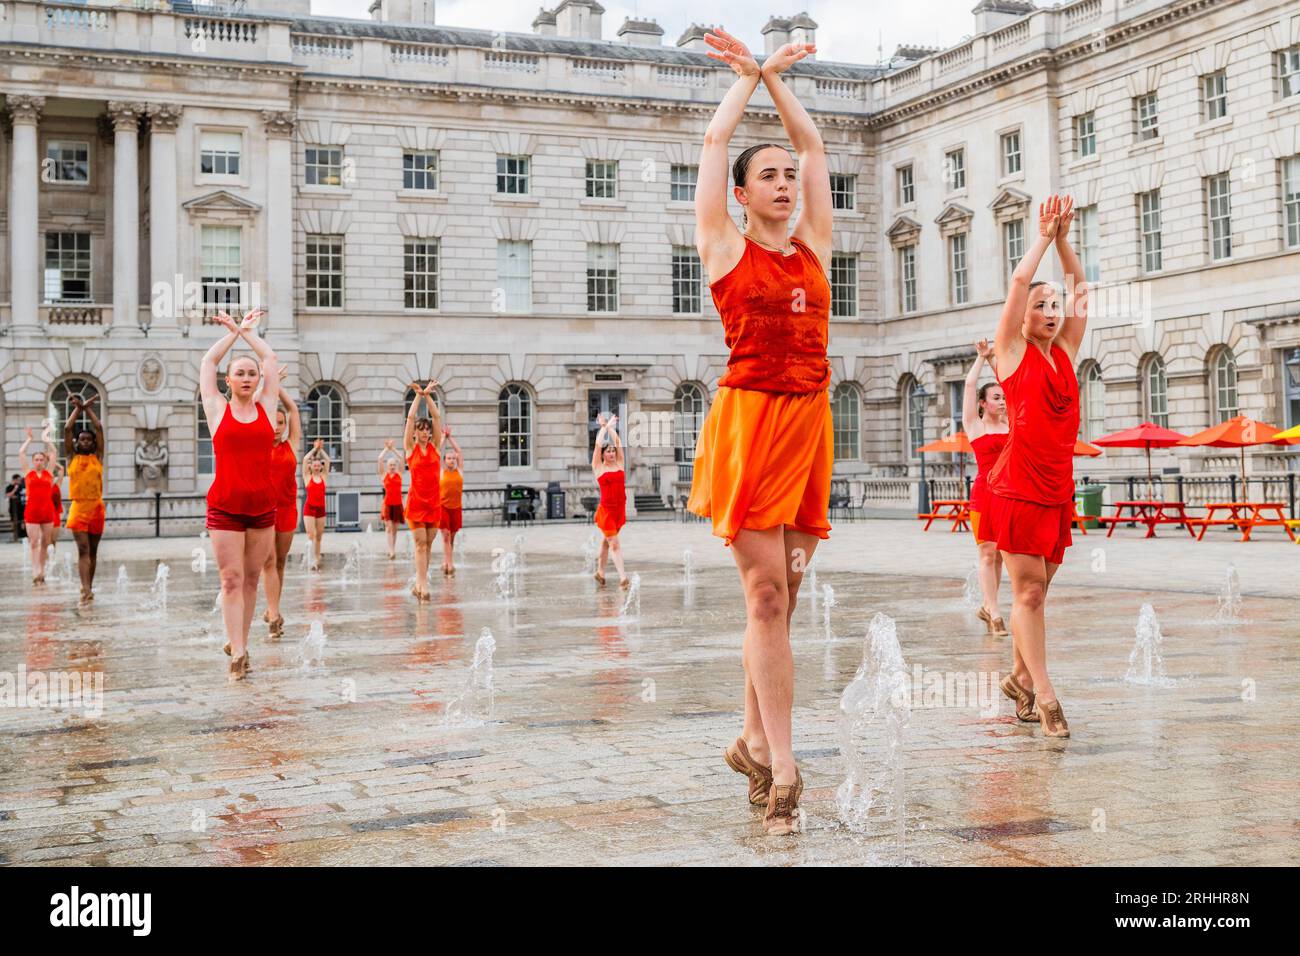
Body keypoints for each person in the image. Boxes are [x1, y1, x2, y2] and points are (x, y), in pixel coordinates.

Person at [687, 29, 832, 835]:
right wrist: (745, 80)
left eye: (787, 175)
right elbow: (714, 140)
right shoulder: (722, 246)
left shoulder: (814, 245)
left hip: (808, 426)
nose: (783, 181)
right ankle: (783, 768)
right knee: (767, 593)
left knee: (783, 600)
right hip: (749, 422)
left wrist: (779, 84)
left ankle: (749, 738)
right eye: (766, 175)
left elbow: (812, 143)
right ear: (742, 194)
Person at [989, 195, 1088, 738]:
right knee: (1027, 593)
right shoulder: (1011, 352)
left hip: (1057, 489)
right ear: (1023, 316)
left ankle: (1019, 676)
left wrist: (1066, 240)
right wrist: (1043, 236)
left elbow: (1082, 290)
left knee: (1039, 592)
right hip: (1018, 489)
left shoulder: (1066, 353)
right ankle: (1045, 697)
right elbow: (1017, 283)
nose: (1052, 313)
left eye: (1055, 307)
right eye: (1041, 306)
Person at [200, 308, 277, 681]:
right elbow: (208, 360)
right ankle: (239, 654)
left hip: (263, 508)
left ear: (258, 380)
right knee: (230, 579)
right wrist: (232, 332)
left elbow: (270, 357)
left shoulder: (267, 405)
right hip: (225, 508)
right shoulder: (216, 408)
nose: (247, 377)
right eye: (239, 373)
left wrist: (249, 333)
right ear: (228, 380)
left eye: (251, 373)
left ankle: (240, 640)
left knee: (250, 579)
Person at [962, 340, 1009, 637]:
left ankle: (988, 605)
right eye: (995, 397)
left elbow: (1014, 388)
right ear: (983, 403)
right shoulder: (975, 425)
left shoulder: (1011, 425)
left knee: (1002, 554)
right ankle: (994, 612)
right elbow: (969, 386)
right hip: (984, 496)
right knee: (987, 553)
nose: (1002, 401)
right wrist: (981, 358)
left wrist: (995, 360)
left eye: (1003, 398)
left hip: (1008, 495)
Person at [261, 388, 302, 637]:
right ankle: (274, 617)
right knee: (269, 561)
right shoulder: (258, 445)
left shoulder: (291, 445)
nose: (276, 427)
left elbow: (294, 410)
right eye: (272, 422)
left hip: (287, 509)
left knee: (280, 562)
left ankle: (272, 607)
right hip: (265, 510)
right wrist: (264, 386)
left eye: (280, 423)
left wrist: (276, 387)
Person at [63, 394, 107, 604]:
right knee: (83, 549)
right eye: (83, 439)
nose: (87, 442)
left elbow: (99, 428)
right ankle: (85, 588)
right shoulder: (72, 457)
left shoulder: (98, 457)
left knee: (94, 551)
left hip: (97, 508)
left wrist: (89, 409)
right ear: (78, 442)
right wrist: (77, 409)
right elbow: (67, 429)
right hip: (79, 507)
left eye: (89, 440)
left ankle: (89, 584)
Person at [403, 381, 442, 601]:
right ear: (416, 433)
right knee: (419, 544)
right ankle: (423, 585)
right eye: (422, 430)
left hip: (433, 502)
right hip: (417, 502)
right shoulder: (410, 449)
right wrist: (417, 396)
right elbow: (409, 420)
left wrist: (428, 397)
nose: (425, 433)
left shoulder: (436, 448)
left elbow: (436, 418)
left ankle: (419, 583)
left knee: (428, 545)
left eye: (427, 430)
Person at [590, 413, 629, 588]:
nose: (612, 453)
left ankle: (600, 571)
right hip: (606, 510)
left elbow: (619, 443)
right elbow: (597, 445)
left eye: (613, 451)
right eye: (609, 451)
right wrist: (604, 428)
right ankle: (623, 578)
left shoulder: (620, 464)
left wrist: (611, 429)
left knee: (606, 541)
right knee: (614, 543)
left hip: (619, 509)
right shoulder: (598, 468)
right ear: (603, 455)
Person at [18, 426, 59, 584]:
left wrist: (46, 438)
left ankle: (42, 569)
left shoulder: (49, 472)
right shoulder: (28, 473)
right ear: (33, 461)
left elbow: (54, 453)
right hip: (32, 512)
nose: (39, 462)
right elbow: (21, 453)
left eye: (42, 459)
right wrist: (29, 439)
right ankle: (35, 570)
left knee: (45, 542)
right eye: (36, 459)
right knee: (33, 542)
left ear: (45, 461)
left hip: (47, 511)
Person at [438, 427, 464, 576]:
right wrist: (443, 438)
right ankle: (449, 564)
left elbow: (459, 452)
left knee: (452, 537)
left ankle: (446, 560)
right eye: (449, 458)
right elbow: (437, 454)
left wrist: (450, 438)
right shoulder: (442, 472)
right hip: (443, 507)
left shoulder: (459, 471)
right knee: (446, 535)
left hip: (456, 508)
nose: (452, 460)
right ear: (445, 460)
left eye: (453, 458)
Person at [301, 439, 330, 571]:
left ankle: (317, 558)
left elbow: (328, 460)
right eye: (315, 465)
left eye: (319, 465)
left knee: (319, 536)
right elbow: (305, 459)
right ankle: (311, 558)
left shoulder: (324, 477)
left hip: (321, 509)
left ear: (321, 467)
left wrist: (321, 449)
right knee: (311, 535)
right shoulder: (307, 477)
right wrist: (314, 448)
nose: (317, 467)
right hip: (309, 509)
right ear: (311, 467)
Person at [377, 440, 404, 560]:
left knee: (395, 529)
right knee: (388, 528)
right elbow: (379, 459)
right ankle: (391, 550)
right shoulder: (384, 475)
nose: (392, 467)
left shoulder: (399, 474)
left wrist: (393, 449)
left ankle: (393, 548)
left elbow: (402, 458)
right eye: (390, 465)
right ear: (387, 467)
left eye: (394, 465)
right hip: (387, 504)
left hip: (398, 504)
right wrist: (386, 449)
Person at [4, 474, 24, 542]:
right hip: (13, 507)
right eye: (18, 480)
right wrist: (14, 490)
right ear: (14, 480)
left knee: (22, 521)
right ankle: (14, 536)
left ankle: (22, 536)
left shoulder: (21, 486)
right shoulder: (9, 487)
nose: (20, 481)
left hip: (21, 506)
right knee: (13, 521)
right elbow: (8, 495)